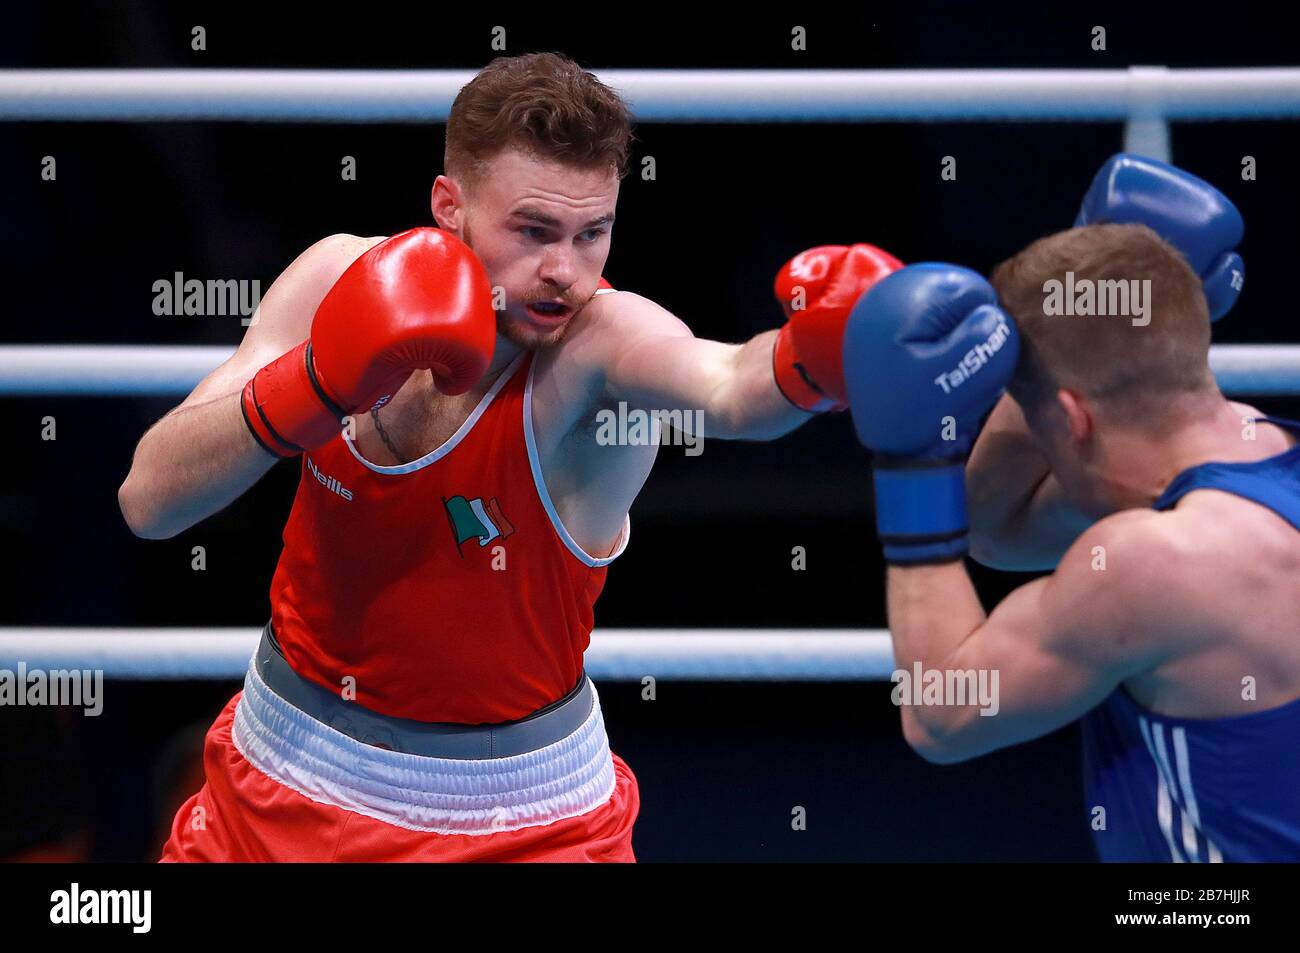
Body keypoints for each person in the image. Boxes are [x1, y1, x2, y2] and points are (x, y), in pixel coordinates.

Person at [117, 51, 901, 862]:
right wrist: (314, 382)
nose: (564, 270)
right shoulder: (335, 277)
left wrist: (817, 354)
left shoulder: (600, 346)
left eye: (592, 233)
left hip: (516, 825)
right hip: (280, 771)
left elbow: (731, 385)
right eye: (532, 231)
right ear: (447, 205)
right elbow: (149, 499)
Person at [844, 156, 1300, 861]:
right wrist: (1072, 301)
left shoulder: (1152, 563)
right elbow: (999, 527)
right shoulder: (1254, 464)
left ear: (1070, 418)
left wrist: (911, 462)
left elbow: (942, 713)